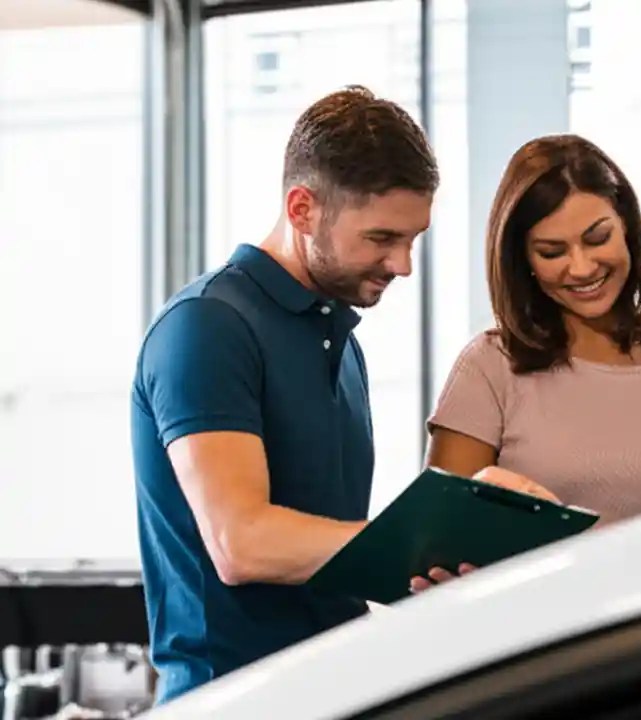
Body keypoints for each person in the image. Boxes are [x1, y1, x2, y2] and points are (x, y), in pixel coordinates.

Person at [130, 86, 552, 703]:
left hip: (333, 692)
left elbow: (328, 551)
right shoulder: (207, 326)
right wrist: (426, 539)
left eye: (413, 239)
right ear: (302, 209)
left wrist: (469, 530)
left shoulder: (340, 341)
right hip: (233, 703)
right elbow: (241, 543)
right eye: (381, 238)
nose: (403, 264)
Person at [423, 134, 641, 561]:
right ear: (524, 261)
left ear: (628, 228)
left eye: (597, 238)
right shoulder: (488, 367)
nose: (581, 267)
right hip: (540, 624)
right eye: (552, 251)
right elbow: (435, 553)